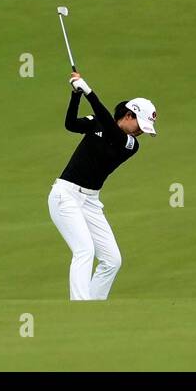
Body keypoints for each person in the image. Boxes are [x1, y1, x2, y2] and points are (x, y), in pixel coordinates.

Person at [47, 70, 157, 300]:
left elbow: (111, 130)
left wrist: (89, 92)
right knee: (84, 250)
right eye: (140, 125)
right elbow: (70, 124)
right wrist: (76, 95)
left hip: (90, 201)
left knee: (112, 260)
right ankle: (80, 307)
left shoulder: (129, 144)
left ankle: (93, 306)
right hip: (65, 195)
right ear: (129, 115)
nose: (141, 132)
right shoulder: (99, 122)